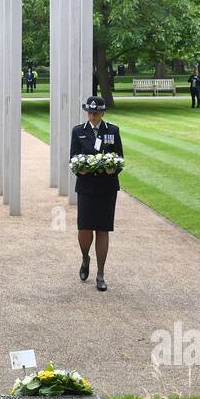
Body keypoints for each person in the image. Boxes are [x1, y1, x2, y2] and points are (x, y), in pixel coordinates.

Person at [70, 95, 123, 292]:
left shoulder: (113, 131)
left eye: (96, 112)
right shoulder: (78, 131)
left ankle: (100, 273)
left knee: (103, 229)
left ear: (102, 113)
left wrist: (114, 169)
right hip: (86, 186)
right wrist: (79, 168)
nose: (92, 116)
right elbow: (73, 157)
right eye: (89, 112)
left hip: (107, 188)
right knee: (84, 229)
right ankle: (85, 258)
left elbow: (119, 157)